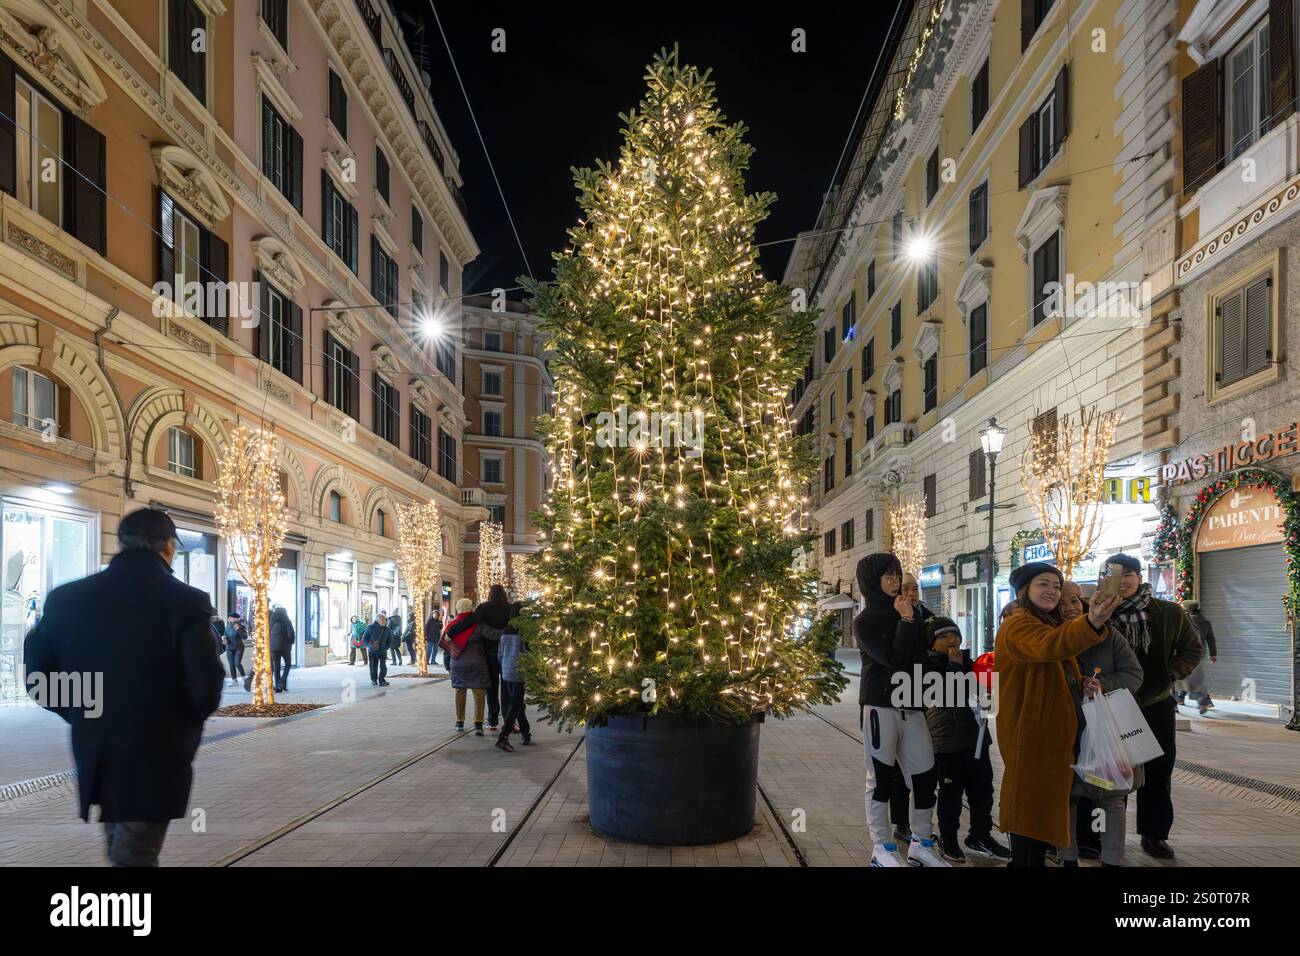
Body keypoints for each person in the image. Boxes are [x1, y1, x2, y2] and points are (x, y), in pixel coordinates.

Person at [23, 508, 224, 866]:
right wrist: (179, 722)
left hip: (97, 744)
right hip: (159, 747)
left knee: (123, 838)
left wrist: (83, 710)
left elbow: (39, 676)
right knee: (136, 849)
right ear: (167, 546)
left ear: (121, 544)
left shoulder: (68, 599)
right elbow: (206, 686)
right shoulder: (186, 601)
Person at [994, 561, 1120, 867]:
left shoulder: (1043, 622)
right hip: (1031, 737)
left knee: (1039, 819)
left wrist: (1080, 685)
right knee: (1028, 820)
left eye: (1055, 585)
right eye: (1043, 584)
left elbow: (1053, 665)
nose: (1051, 591)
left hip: (1048, 738)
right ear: (1024, 589)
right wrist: (1092, 622)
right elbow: (1050, 647)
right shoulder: (1019, 624)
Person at [1101, 553, 1201, 860]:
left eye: (1128, 573)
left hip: (1155, 701)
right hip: (1111, 702)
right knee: (1109, 771)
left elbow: (1191, 648)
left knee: (1158, 770)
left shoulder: (1168, 612)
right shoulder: (1098, 613)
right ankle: (1104, 833)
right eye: (1115, 574)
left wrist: (1171, 674)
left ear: (1139, 577)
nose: (1124, 580)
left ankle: (1154, 834)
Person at [853, 552, 948, 867]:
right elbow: (893, 659)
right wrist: (906, 621)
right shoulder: (865, 621)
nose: (896, 584)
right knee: (880, 777)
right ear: (872, 580)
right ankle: (882, 847)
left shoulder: (909, 612)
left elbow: (917, 658)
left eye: (897, 576)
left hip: (912, 705)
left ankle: (922, 842)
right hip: (881, 706)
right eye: (888, 577)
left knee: (924, 773)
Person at [1055, 580, 1143, 867]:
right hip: (1064, 729)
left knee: (1111, 796)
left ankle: (1112, 858)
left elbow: (1134, 674)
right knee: (1065, 797)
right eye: (1062, 602)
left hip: (1105, 729)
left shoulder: (1109, 636)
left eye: (1074, 600)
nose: (1069, 607)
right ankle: (1066, 857)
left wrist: (1102, 684)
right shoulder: (1049, 637)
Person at [922, 615, 1009, 863]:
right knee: (950, 794)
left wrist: (989, 693)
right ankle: (948, 839)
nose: (952, 640)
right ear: (932, 643)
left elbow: (984, 699)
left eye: (955, 635)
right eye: (943, 636)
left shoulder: (971, 663)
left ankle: (980, 836)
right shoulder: (927, 667)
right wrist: (954, 667)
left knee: (982, 792)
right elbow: (944, 695)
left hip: (976, 739)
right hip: (947, 741)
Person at [889, 571, 934, 845]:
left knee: (924, 768)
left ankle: (922, 828)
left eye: (915, 588)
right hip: (898, 700)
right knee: (897, 770)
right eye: (905, 588)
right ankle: (901, 824)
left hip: (925, 698)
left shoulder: (927, 616)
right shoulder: (893, 618)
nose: (912, 593)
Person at [446, 585, 521, 734]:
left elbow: (470, 620)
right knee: (507, 689)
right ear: (504, 594)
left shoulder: (484, 607)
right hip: (507, 653)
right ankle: (509, 722)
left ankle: (492, 721)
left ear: (490, 594)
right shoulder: (510, 608)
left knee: (492, 688)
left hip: (490, 654)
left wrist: (452, 631)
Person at [444, 598, 488, 733]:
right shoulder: (478, 625)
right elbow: (489, 637)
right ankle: (478, 723)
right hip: (477, 663)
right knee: (479, 692)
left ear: (457, 609)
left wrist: (448, 666)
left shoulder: (451, 626)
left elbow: (447, 649)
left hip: (458, 663)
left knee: (460, 692)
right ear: (471, 609)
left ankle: (459, 722)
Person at [495, 618, 531, 752]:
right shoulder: (524, 632)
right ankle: (503, 736)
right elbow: (526, 653)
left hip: (506, 672)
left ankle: (526, 733)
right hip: (518, 673)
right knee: (516, 704)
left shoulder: (505, 630)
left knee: (518, 703)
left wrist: (504, 665)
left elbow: (499, 653)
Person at [1180, 599, 1218, 715]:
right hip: (1199, 655)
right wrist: (1213, 654)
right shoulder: (1205, 622)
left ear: (1187, 609)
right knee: (1192, 678)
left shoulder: (1186, 620)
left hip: (1186, 654)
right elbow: (1210, 639)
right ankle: (1180, 698)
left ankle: (1202, 701)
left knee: (1188, 679)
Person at [268, 606, 294, 693]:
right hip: (284, 647)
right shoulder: (287, 622)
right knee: (288, 664)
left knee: (276, 666)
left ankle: (278, 687)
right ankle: (280, 683)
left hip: (273, 648)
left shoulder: (272, 622)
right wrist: (290, 643)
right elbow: (291, 635)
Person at [364, 611, 391, 686]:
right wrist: (369, 646)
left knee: (383, 667)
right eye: (382, 620)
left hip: (383, 651)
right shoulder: (370, 627)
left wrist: (386, 648)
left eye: (385, 619)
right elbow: (365, 638)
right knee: (373, 666)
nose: (384, 621)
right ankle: (374, 680)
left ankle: (382, 680)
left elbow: (390, 640)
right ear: (377, 620)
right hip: (372, 651)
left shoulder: (387, 629)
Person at [222, 613, 247, 687]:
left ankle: (245, 679)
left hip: (239, 648)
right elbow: (226, 637)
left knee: (237, 663)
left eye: (230, 618)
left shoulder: (241, 627)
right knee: (231, 665)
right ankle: (234, 681)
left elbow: (245, 637)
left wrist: (238, 629)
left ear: (235, 619)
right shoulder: (227, 627)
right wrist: (224, 639)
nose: (228, 619)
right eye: (228, 618)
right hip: (230, 648)